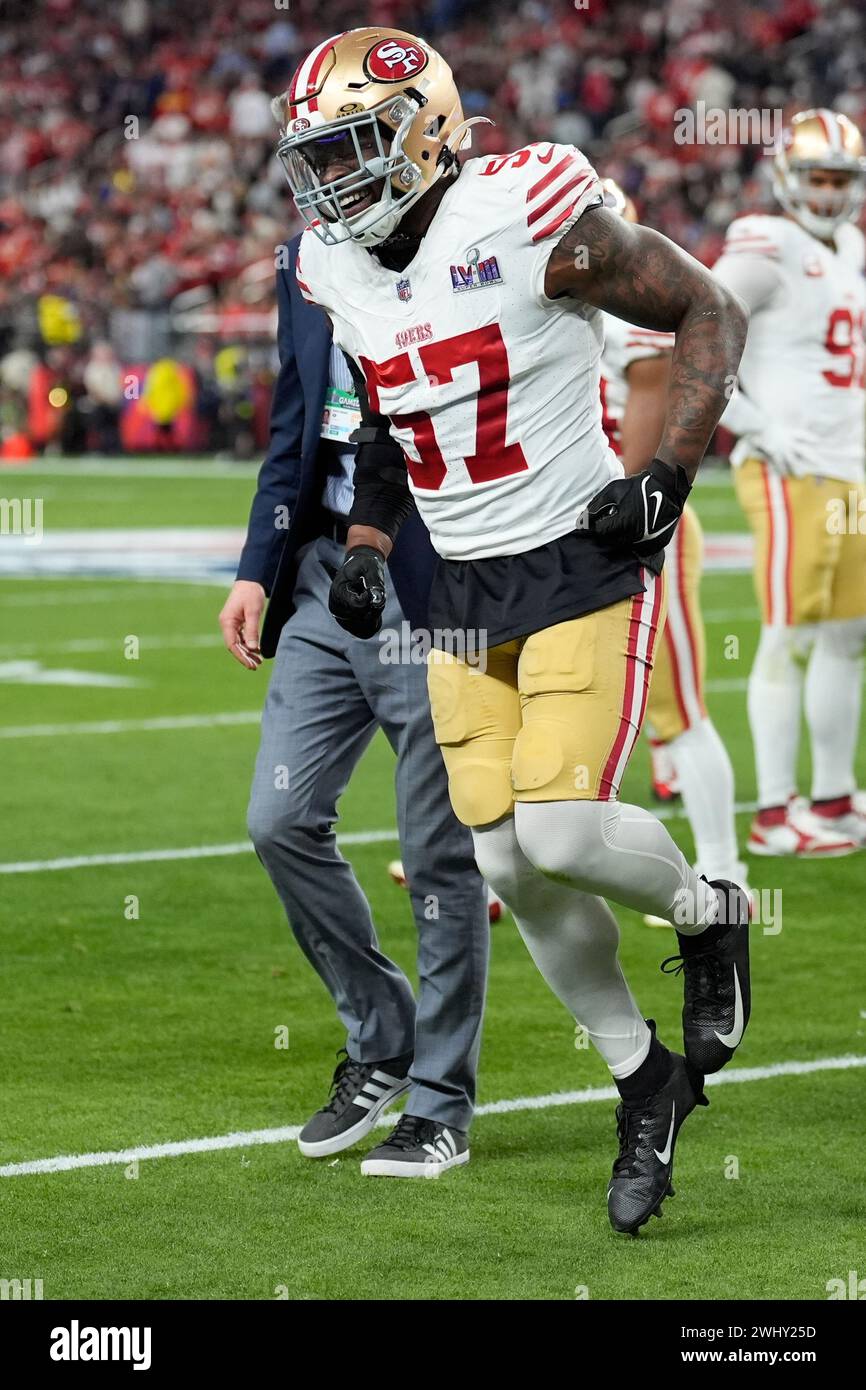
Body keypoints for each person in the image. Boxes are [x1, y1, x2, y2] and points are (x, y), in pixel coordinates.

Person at [274, 26, 751, 1234]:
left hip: (579, 562)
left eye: (352, 145)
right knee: (501, 862)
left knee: (561, 830)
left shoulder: (526, 207)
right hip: (456, 591)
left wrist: (665, 478)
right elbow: (394, 413)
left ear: (425, 130)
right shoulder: (337, 268)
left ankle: (708, 913)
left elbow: (708, 310)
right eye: (314, 154)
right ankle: (640, 1077)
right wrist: (374, 546)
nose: (328, 178)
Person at [219, 229, 489, 1179]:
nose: (330, 177)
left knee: (438, 856)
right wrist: (257, 569)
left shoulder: (456, 243)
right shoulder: (304, 259)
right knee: (279, 819)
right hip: (327, 574)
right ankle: (384, 1037)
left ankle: (442, 1102)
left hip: (431, 583)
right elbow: (295, 424)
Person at [714, 109, 866, 857]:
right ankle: (775, 813)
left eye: (842, 179)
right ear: (787, 178)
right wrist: (753, 425)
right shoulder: (766, 242)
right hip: (789, 467)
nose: (831, 193)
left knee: (849, 634)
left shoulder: (852, 249)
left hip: (849, 467)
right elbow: (699, 323)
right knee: (790, 632)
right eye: (818, 178)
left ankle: (833, 796)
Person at [597, 179, 748, 921]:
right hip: (569, 535)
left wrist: (629, 519)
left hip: (642, 528)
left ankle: (724, 871)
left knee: (678, 705)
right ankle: (503, 874)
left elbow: (652, 421)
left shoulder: (630, 312)